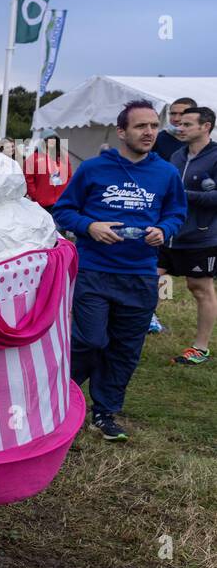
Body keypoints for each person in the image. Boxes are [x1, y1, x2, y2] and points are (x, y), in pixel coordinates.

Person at [52, 100, 186, 439]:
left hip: (140, 274)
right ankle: (54, 397)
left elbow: (176, 214)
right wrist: (90, 226)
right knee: (90, 340)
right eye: (141, 126)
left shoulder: (166, 173)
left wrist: (165, 230)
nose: (150, 132)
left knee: (125, 347)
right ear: (122, 131)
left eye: (155, 126)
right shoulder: (94, 169)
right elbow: (63, 211)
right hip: (94, 270)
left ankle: (105, 412)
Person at [158, 105, 217, 365]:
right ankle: (133, 333)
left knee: (199, 287)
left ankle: (200, 348)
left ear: (206, 127)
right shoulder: (177, 156)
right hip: (169, 234)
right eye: (179, 124)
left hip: (201, 237)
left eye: (187, 124)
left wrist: (183, 195)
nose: (179, 128)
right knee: (150, 280)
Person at [23, 133, 72, 212]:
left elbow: (69, 176)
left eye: (54, 139)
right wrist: (36, 196)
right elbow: (28, 180)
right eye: (49, 139)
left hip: (61, 201)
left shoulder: (63, 157)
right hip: (42, 203)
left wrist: (67, 193)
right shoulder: (32, 159)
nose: (52, 141)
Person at [153, 97, 195, 164]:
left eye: (182, 114)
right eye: (173, 114)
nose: (176, 119)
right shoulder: (158, 138)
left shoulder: (200, 143)